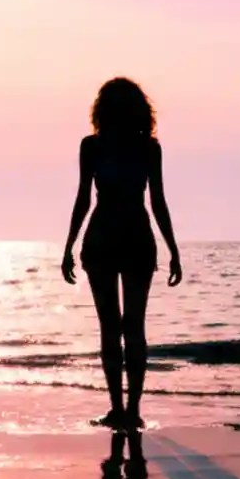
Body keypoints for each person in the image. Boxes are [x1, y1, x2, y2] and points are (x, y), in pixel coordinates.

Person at [62, 77, 182, 431]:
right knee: (134, 327)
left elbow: (85, 199)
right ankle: (132, 410)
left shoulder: (94, 146)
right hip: (134, 238)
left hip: (103, 238)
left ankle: (119, 409)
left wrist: (68, 245)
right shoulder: (147, 148)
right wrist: (173, 249)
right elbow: (156, 201)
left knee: (111, 328)